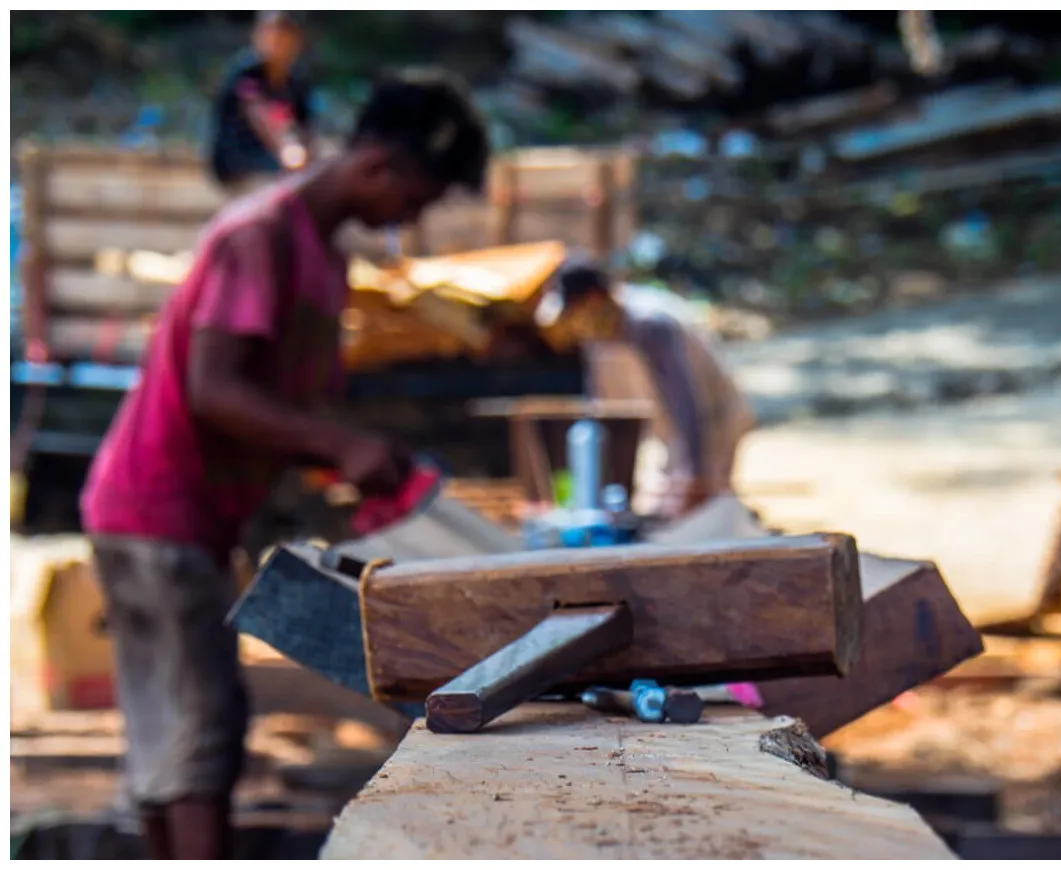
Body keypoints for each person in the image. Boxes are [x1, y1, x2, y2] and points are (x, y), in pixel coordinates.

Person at [81, 70, 489, 860]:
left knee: (176, 727)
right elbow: (215, 390)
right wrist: (342, 448)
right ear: (379, 167)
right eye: (416, 200)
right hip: (159, 511)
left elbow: (290, 410)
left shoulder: (319, 259)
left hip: (191, 516)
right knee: (201, 729)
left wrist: (361, 457)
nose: (411, 219)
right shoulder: (257, 237)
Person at [550, 258, 755, 519]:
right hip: (671, 432)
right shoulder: (597, 338)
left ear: (593, 300)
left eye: (573, 310)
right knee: (668, 506)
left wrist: (696, 473)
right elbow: (602, 410)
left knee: (705, 508)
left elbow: (686, 401)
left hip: (714, 420)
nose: (571, 322)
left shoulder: (650, 326)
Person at [208, 11, 315, 194]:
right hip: (239, 162)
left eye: (283, 35)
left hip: (276, 160)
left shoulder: (296, 83)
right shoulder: (247, 74)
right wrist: (288, 149)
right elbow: (261, 113)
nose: (275, 41)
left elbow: (304, 128)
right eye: (269, 32)